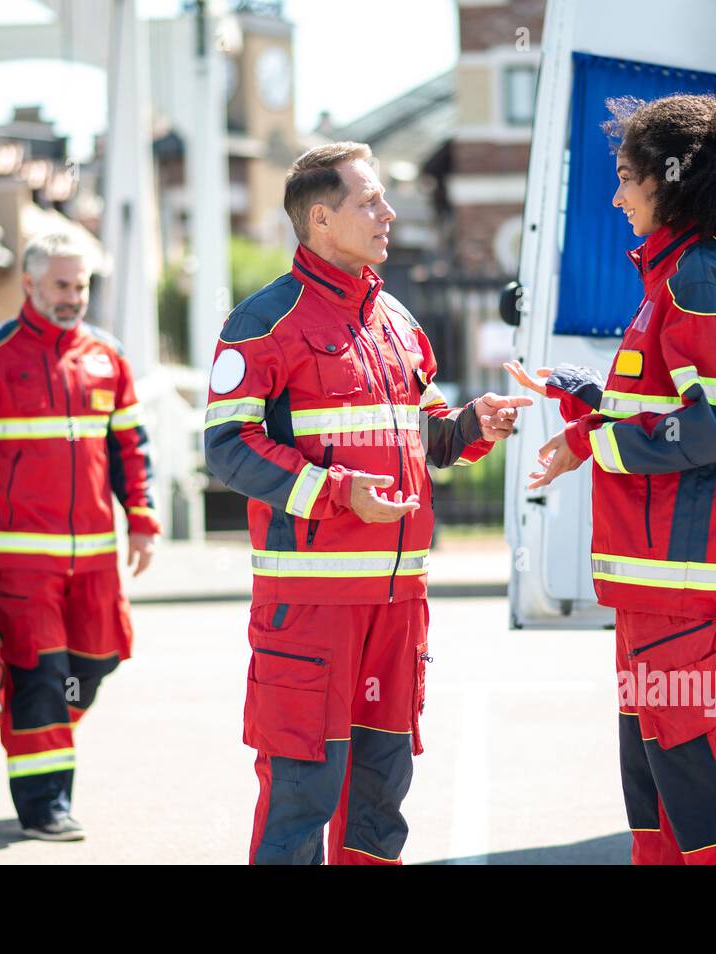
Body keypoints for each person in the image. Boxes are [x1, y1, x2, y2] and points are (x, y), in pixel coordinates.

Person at [204, 142, 530, 865]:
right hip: (311, 608)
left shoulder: (399, 324)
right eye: (371, 200)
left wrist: (478, 423)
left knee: (382, 800)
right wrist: (335, 493)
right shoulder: (262, 322)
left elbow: (430, 438)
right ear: (321, 218)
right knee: (301, 797)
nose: (388, 213)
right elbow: (226, 448)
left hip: (398, 606)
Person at [512, 92, 716, 865]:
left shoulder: (694, 278)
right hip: (656, 590)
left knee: (710, 779)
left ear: (676, 181)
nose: (616, 194)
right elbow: (666, 410)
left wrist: (597, 447)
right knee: (662, 780)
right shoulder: (674, 276)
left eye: (628, 176)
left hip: (683, 586)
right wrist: (582, 421)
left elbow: (715, 427)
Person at [0, 232, 160, 841]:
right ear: (29, 284)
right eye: (61, 285)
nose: (74, 297)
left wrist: (143, 520)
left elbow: (131, 449)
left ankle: (32, 728)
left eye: (81, 286)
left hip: (97, 561)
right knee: (40, 676)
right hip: (25, 563)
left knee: (97, 663)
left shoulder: (108, 356)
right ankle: (44, 804)